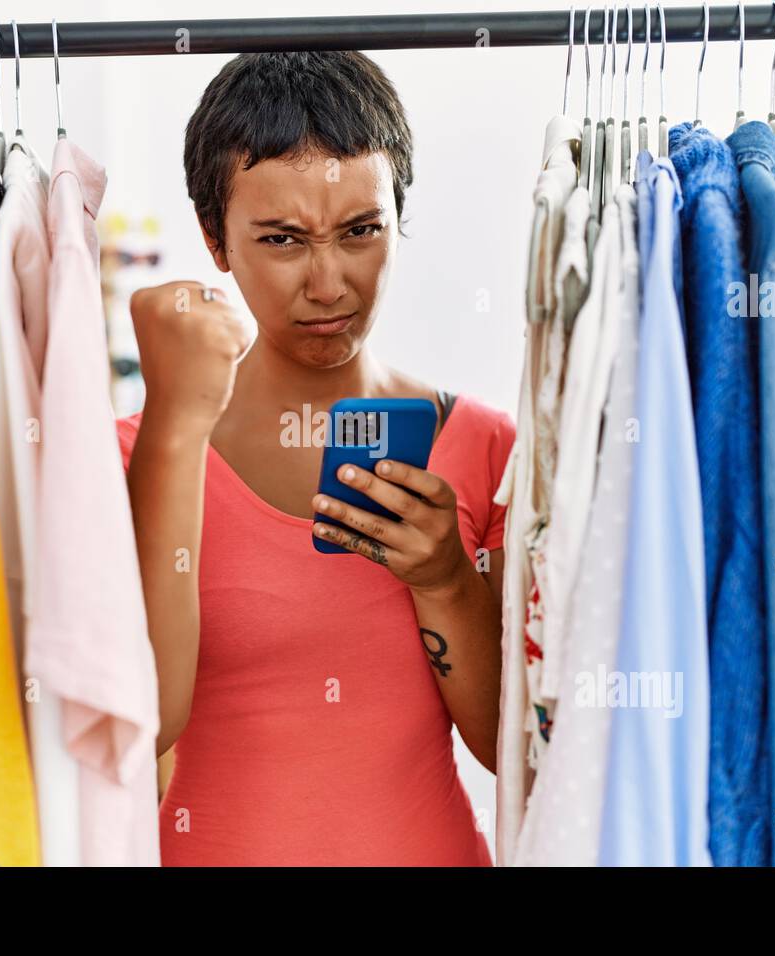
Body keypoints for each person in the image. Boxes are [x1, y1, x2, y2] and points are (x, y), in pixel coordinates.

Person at [120, 51, 515, 866]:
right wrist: (172, 430)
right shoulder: (140, 449)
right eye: (283, 240)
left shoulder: (486, 448)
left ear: (399, 219)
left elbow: (515, 750)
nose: (330, 283)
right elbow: (143, 724)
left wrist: (446, 581)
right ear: (215, 242)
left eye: (360, 231)